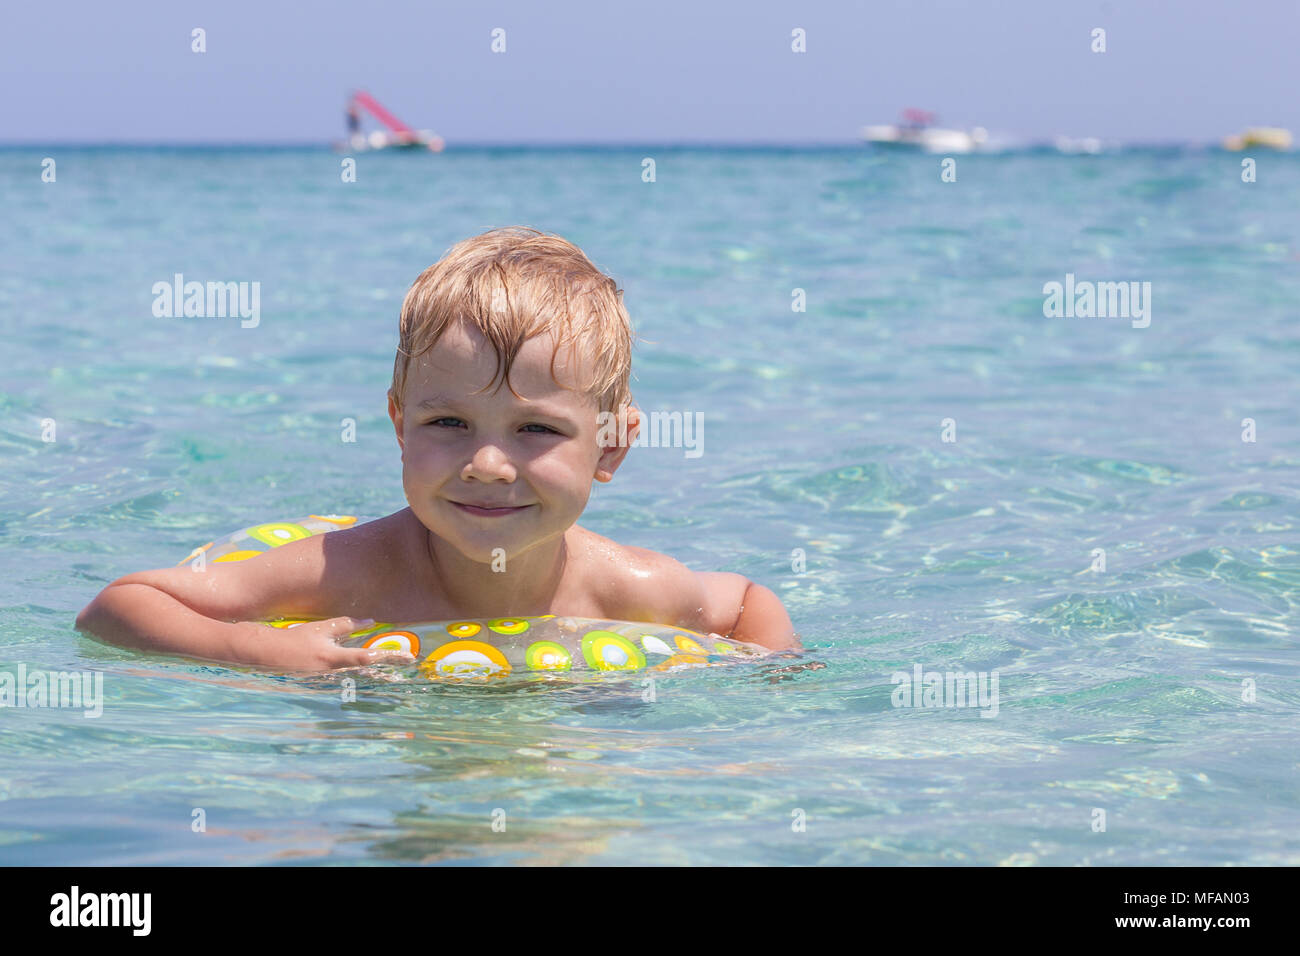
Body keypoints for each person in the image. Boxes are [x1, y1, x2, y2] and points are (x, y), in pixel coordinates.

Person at [76, 227, 801, 671]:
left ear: (610, 449)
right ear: (399, 426)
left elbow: (745, 602)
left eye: (535, 429)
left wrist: (775, 677)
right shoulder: (347, 573)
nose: (486, 464)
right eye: (448, 423)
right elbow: (117, 607)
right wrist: (261, 650)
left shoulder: (629, 591)